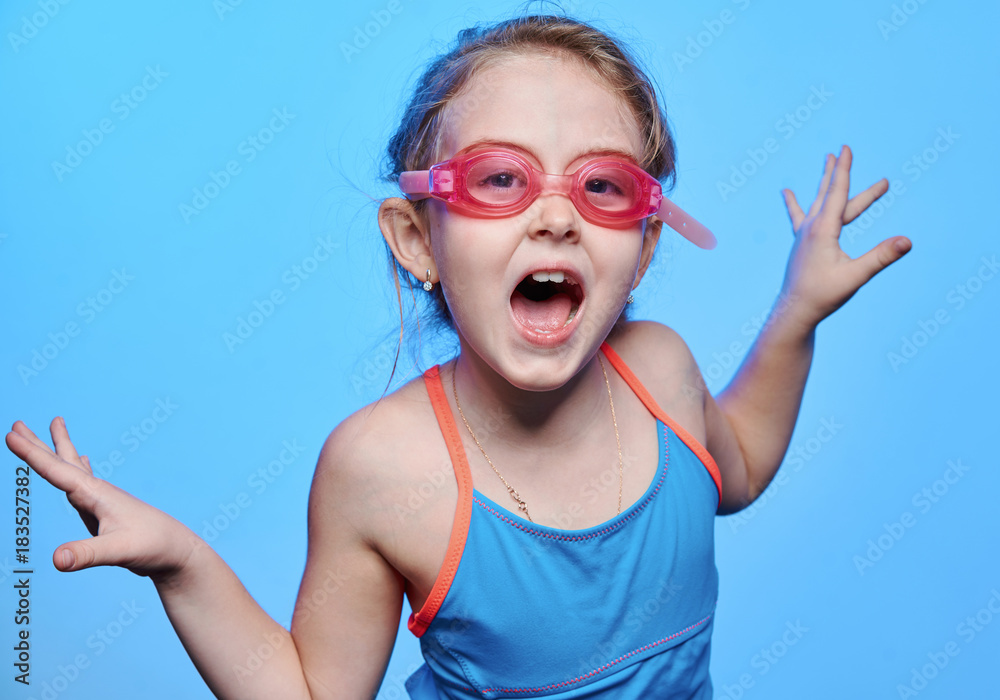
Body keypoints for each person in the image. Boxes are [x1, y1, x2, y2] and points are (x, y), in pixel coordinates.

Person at [5, 13, 911, 699]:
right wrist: (182, 564)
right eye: (500, 180)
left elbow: (740, 464)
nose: (554, 216)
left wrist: (798, 312)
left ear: (644, 247)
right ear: (417, 239)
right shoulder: (382, 466)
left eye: (600, 186)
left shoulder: (660, 370)